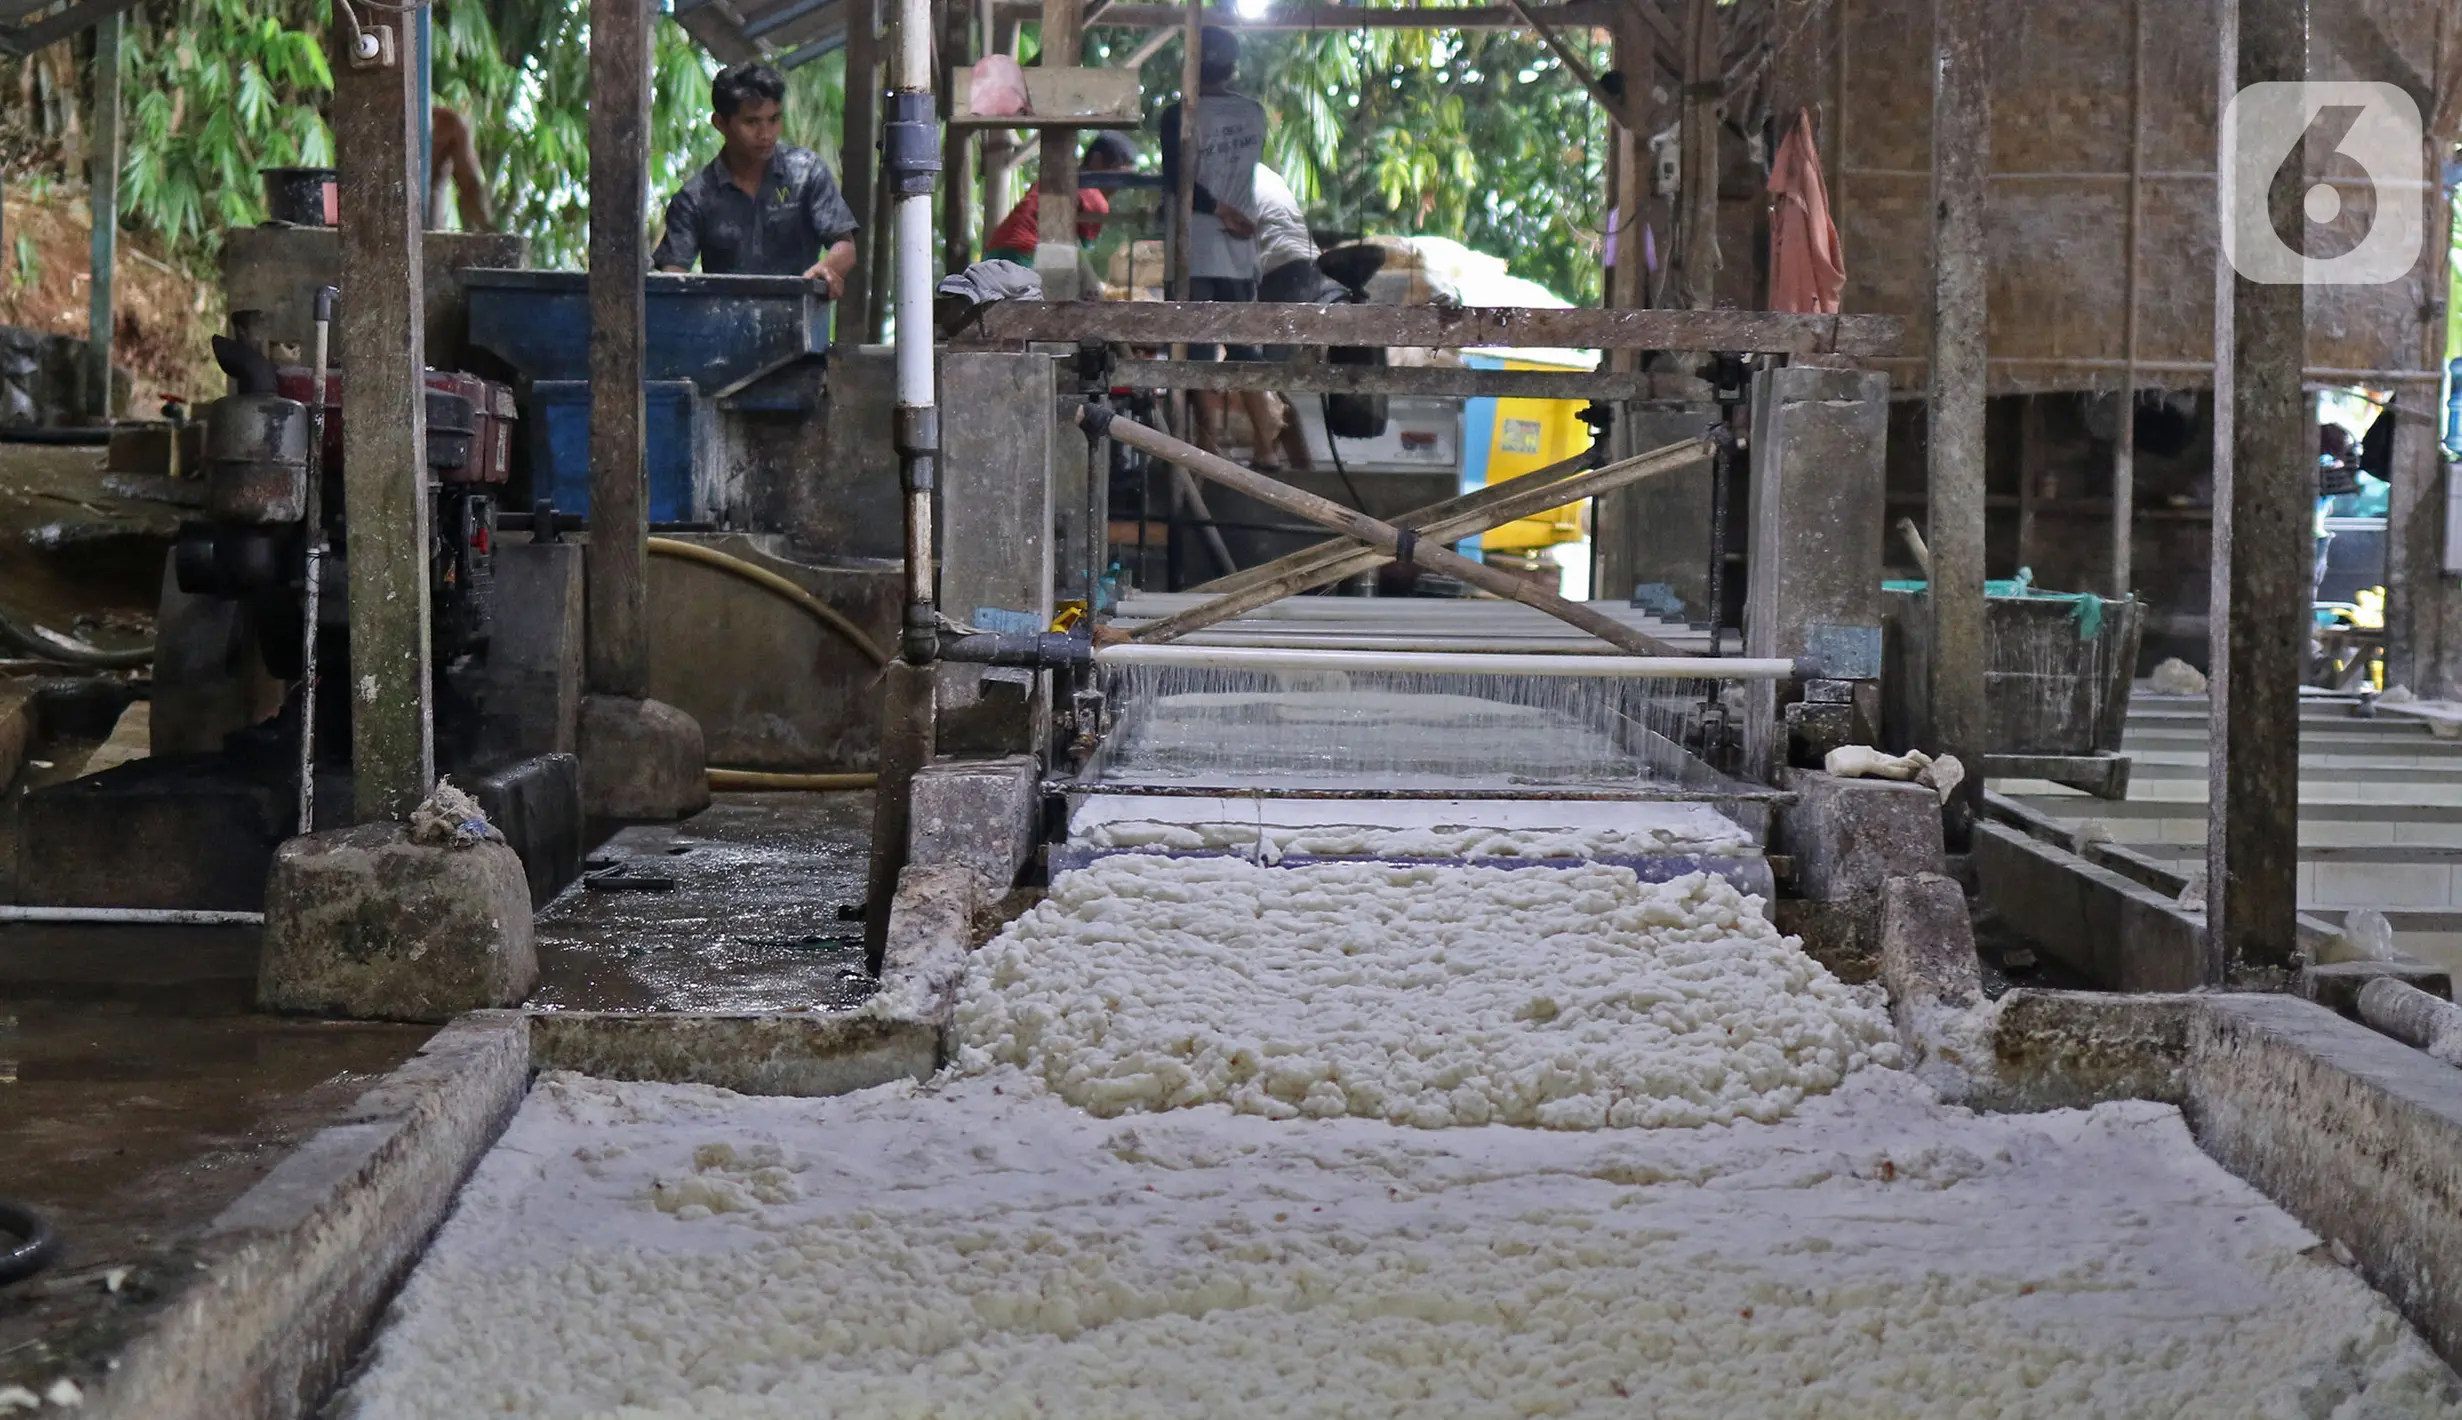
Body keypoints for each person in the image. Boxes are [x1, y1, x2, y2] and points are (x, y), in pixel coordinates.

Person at [1158, 27, 1280, 464]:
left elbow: (1177, 178)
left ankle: (1206, 453)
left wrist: (1216, 208)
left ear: (1190, 65)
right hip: (1240, 252)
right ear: (1231, 67)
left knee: (1195, 354)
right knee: (1247, 351)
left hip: (1193, 251)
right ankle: (1267, 451)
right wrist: (1231, 211)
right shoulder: (1254, 114)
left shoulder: (1180, 115)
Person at [652, 62, 859, 296]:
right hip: (724, 326)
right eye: (751, 122)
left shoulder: (807, 172)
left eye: (774, 119)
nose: (766, 134)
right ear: (721, 124)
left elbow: (845, 245)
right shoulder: (694, 198)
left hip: (800, 323)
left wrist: (826, 269)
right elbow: (673, 276)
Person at [983, 133, 1136, 267]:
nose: (1120, 187)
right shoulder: (1094, 199)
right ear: (1097, 161)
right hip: (1025, 257)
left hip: (993, 255)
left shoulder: (1050, 181)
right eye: (1120, 176)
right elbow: (1080, 264)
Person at [428, 105, 492, 232]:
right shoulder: (445, 125)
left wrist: (488, 230)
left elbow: (470, 186)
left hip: (425, 237)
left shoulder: (445, 125)